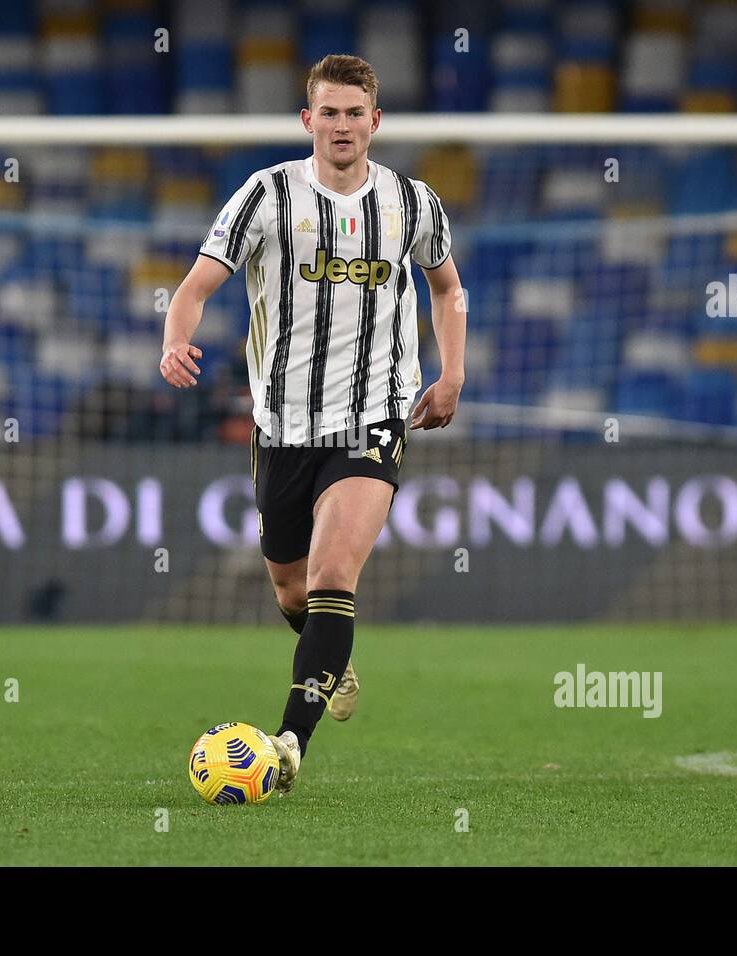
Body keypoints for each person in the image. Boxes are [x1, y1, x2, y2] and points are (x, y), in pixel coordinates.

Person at [160, 54, 466, 795]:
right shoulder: (265, 196)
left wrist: (452, 372)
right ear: (308, 121)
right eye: (327, 112)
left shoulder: (412, 203)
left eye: (353, 113)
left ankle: (289, 744)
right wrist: (174, 337)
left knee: (334, 578)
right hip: (283, 428)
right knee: (293, 592)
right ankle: (332, 659)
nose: (340, 125)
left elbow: (448, 288)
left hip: (372, 420)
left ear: (375, 121)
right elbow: (195, 286)